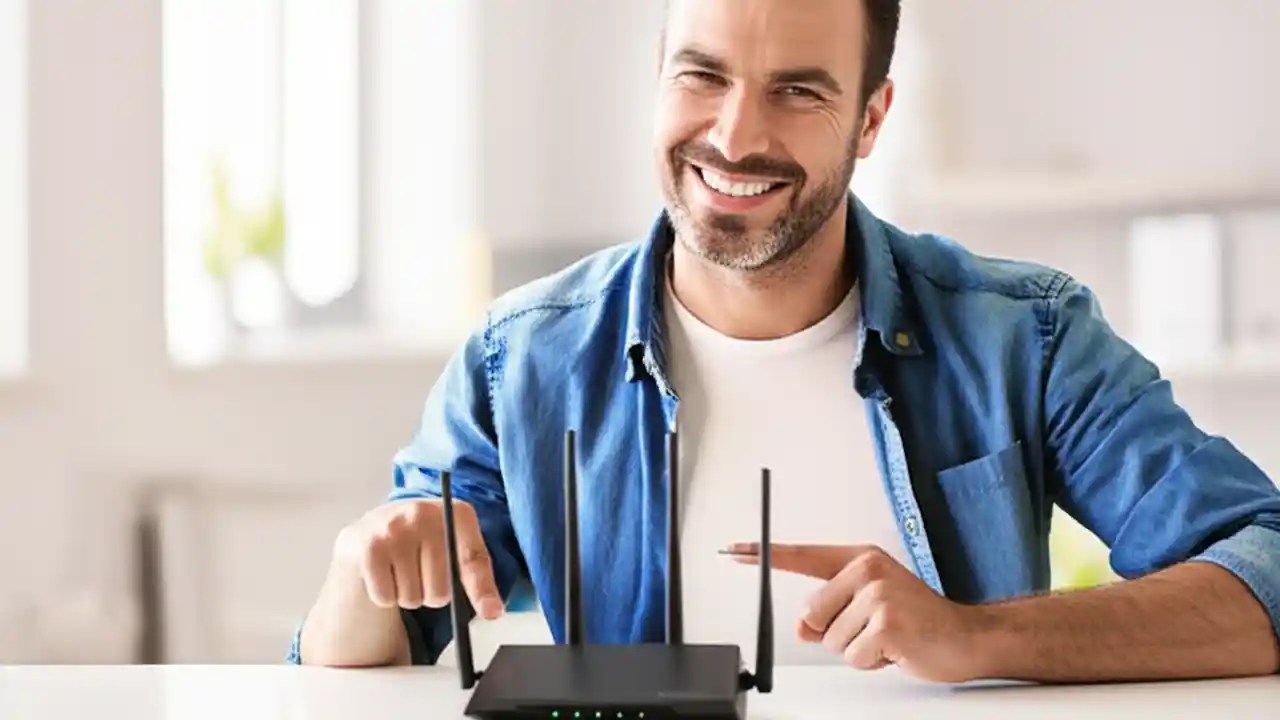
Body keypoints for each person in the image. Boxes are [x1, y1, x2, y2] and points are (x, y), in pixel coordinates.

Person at [291, 0, 1280, 682]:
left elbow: (1264, 566)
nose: (733, 135)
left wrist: (972, 639)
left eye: (798, 92)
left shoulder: (1024, 335)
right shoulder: (522, 362)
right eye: (701, 77)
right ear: (657, 82)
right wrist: (357, 566)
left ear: (868, 119)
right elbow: (357, 667)